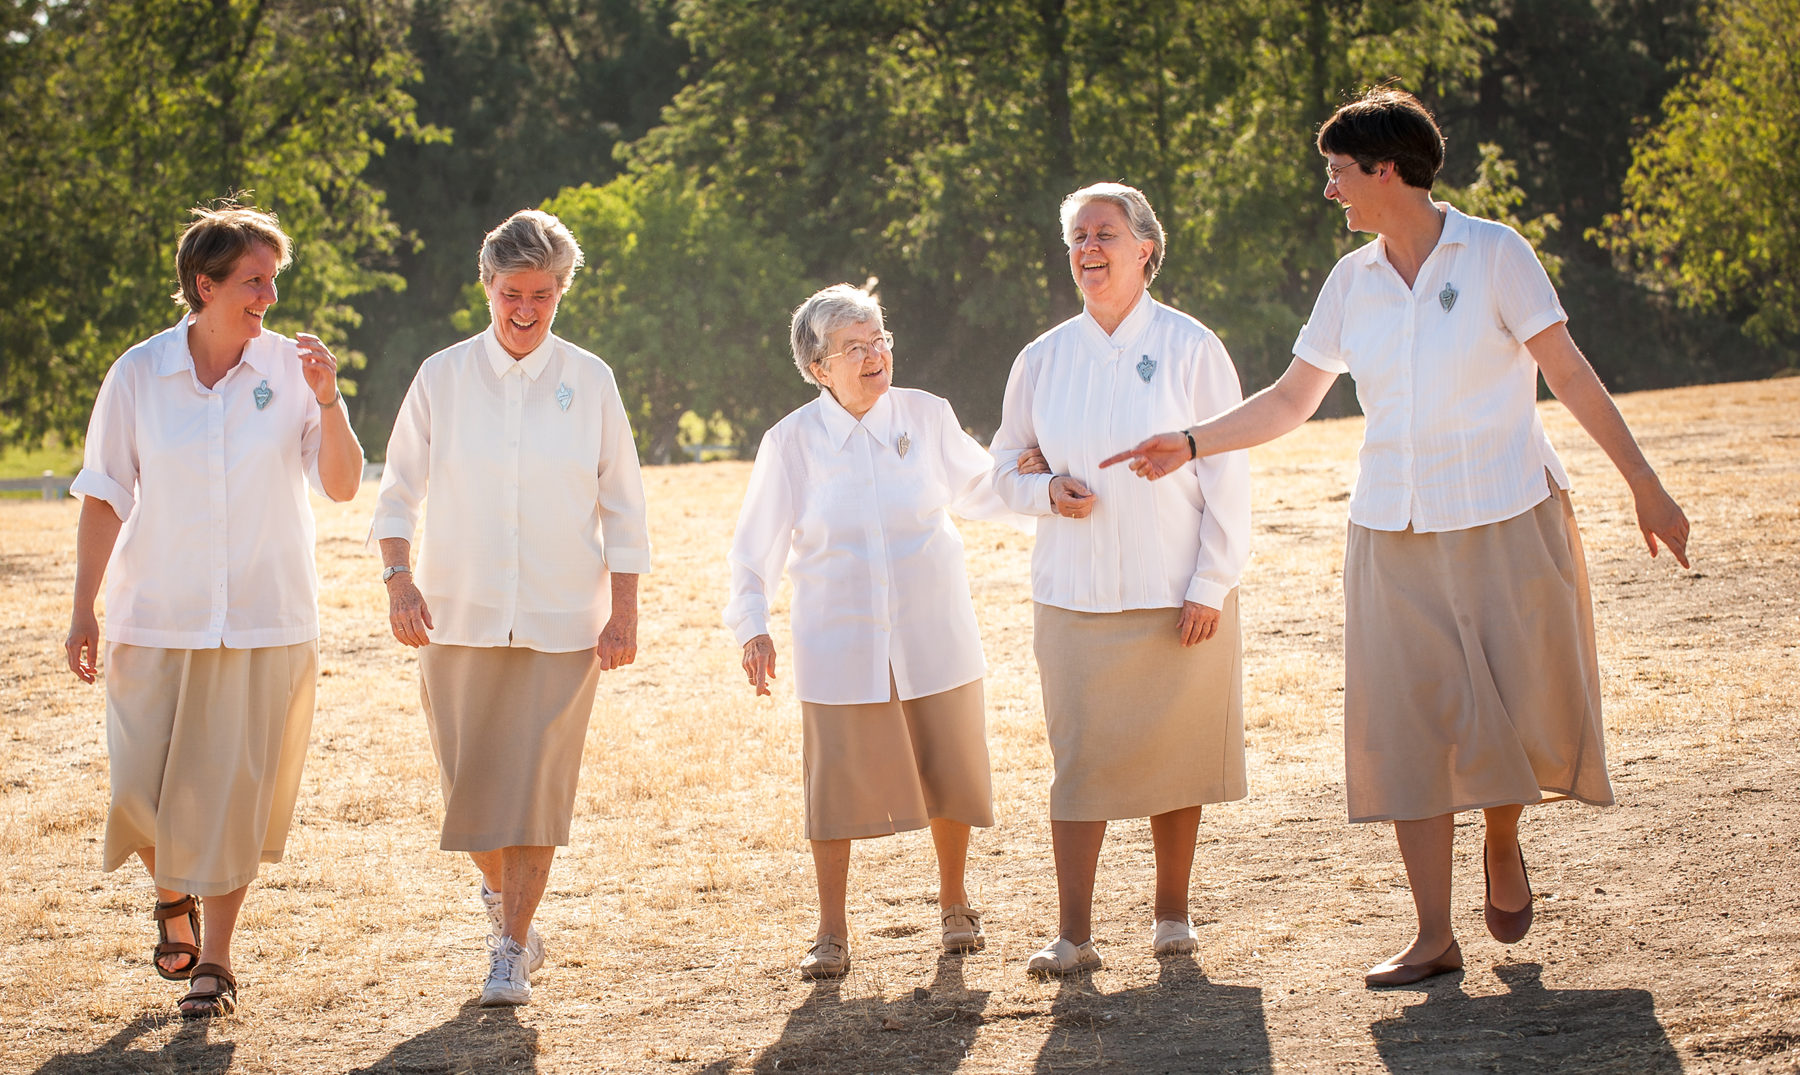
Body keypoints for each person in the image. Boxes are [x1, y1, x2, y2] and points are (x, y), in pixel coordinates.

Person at [1101, 89, 1691, 986]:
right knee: (1414, 728)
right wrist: (1190, 442)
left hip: (1504, 511)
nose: (1330, 192)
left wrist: (1643, 484)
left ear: (1385, 169)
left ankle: (1501, 838)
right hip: (1392, 530)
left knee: (1507, 709)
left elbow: (1567, 372)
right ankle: (1431, 934)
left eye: (1338, 173)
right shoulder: (1351, 283)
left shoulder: (1496, 253)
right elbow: (1294, 399)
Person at [63, 204, 365, 1018]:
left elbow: (340, 484)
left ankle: (216, 964)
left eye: (272, 279)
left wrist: (330, 398)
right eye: (253, 280)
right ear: (205, 285)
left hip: (260, 619)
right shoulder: (138, 373)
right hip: (151, 614)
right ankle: (171, 892)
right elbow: (102, 494)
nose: (268, 295)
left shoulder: (291, 370)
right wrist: (82, 606)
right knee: (141, 787)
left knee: (231, 795)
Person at [370, 209, 651, 1007]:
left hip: (564, 624)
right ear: (486, 287)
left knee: (534, 792)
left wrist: (623, 612)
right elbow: (397, 493)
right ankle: (506, 899)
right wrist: (398, 577)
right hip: (454, 618)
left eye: (543, 293)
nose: (525, 309)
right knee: (472, 797)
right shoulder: (441, 376)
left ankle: (511, 944)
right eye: (511, 292)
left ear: (561, 290)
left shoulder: (590, 379)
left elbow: (624, 505)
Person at [725, 284, 1026, 978]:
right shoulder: (791, 442)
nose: (874, 355)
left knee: (948, 767)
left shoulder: (926, 414)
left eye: (879, 339)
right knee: (834, 785)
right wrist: (752, 627)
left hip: (933, 628)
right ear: (818, 368)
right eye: (854, 347)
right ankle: (831, 929)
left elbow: (984, 488)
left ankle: (955, 903)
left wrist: (1047, 495)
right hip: (841, 639)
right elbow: (753, 549)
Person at [989, 182, 1252, 976]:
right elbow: (1002, 466)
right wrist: (1043, 490)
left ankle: (1172, 915)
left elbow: (1230, 476)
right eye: (1076, 236)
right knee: (1081, 765)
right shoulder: (1041, 357)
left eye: (1103, 232)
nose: (1087, 247)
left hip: (1177, 596)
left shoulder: (1192, 346)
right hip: (1073, 596)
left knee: (1177, 758)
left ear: (1145, 248)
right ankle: (1074, 934)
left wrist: (1211, 583)